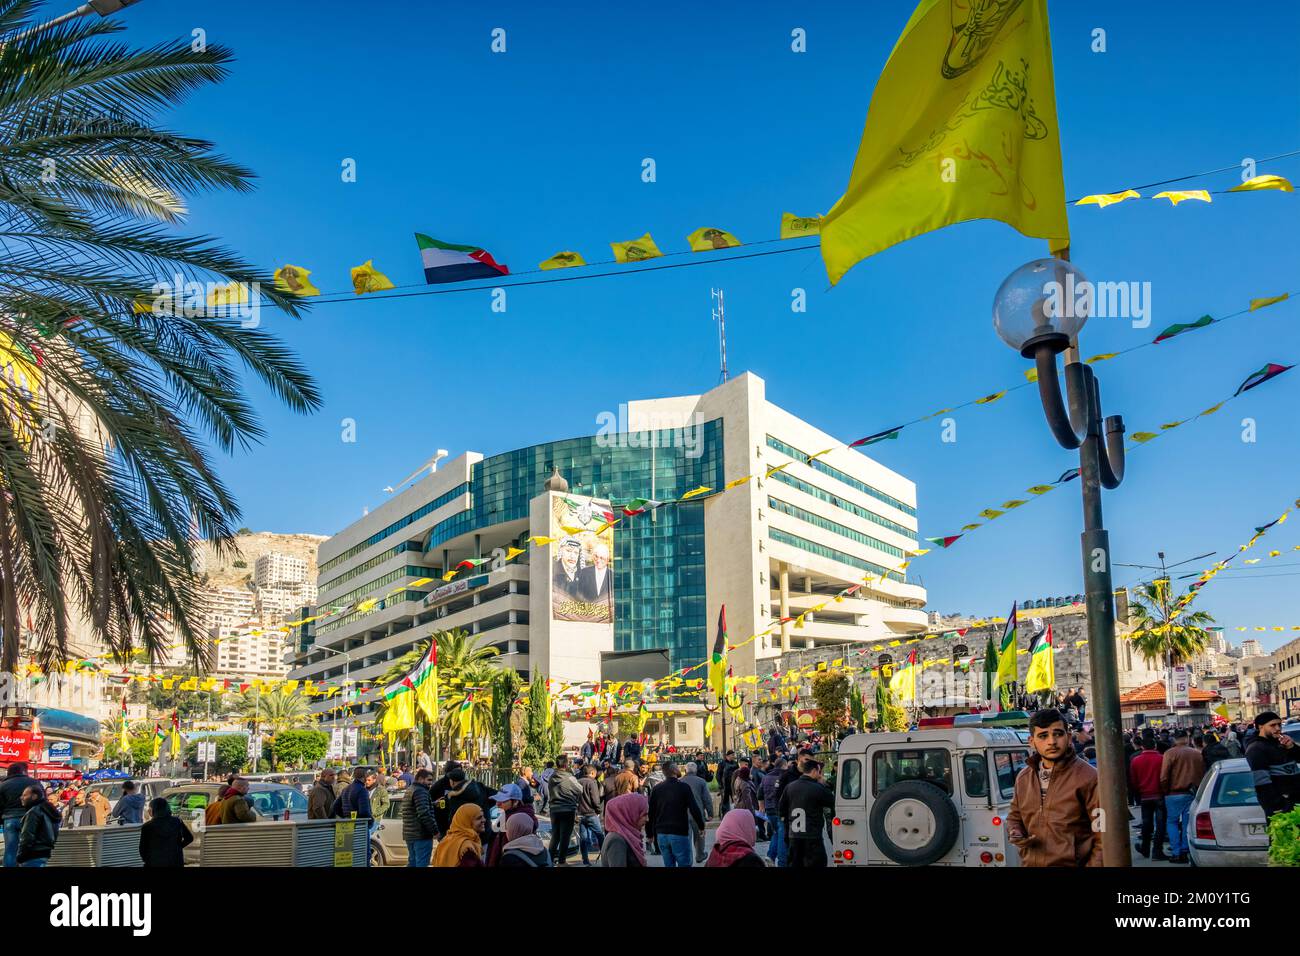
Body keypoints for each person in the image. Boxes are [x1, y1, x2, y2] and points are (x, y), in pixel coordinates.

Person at [1006, 709, 1102, 867]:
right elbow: (1014, 817)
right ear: (1031, 741)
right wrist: (1015, 831)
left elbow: (1104, 836)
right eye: (1043, 736)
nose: (1051, 741)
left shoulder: (1089, 777)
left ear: (1068, 737)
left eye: (1058, 734)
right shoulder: (1024, 778)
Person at [778, 758, 835, 868]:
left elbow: (781, 809)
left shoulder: (790, 787)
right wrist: (825, 784)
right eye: (819, 772)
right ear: (814, 771)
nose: (820, 775)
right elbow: (832, 801)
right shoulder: (818, 788)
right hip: (812, 836)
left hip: (794, 836)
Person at [1160, 729, 1205, 864]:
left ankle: (1176, 852)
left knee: (1172, 822)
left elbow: (1164, 776)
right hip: (1191, 793)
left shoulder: (1169, 753)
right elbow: (1201, 773)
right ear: (1187, 738)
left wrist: (1165, 791)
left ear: (1174, 739)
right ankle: (1186, 849)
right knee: (1187, 823)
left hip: (1173, 793)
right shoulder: (1197, 754)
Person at [646, 762, 705, 868]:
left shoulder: (657, 789)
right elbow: (694, 808)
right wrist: (701, 826)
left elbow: (651, 813)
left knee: (669, 864)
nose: (679, 769)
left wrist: (649, 833)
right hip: (679, 832)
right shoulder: (683, 787)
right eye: (677, 767)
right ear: (674, 770)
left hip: (662, 834)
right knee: (684, 864)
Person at [1245, 711, 1299, 819]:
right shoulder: (1256, 748)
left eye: (1279, 724)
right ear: (1260, 727)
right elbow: (1262, 783)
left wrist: (1292, 747)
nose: (1278, 728)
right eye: (1272, 725)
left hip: (1296, 801)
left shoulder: (1281, 742)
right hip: (1283, 808)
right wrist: (1279, 807)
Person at [1128, 733, 1167, 861]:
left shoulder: (1136, 760)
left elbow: (1133, 780)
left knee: (1146, 823)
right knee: (1160, 824)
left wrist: (1138, 791)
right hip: (1160, 794)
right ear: (1155, 746)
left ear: (1142, 747)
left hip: (1145, 796)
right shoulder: (1162, 758)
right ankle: (1157, 850)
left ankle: (1145, 848)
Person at [546, 754, 584, 865]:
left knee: (555, 836)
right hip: (568, 809)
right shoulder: (570, 777)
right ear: (566, 764)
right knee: (565, 836)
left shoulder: (552, 777)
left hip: (554, 810)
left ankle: (549, 860)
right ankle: (562, 861)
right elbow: (580, 789)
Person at [137, 797, 193, 867]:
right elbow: (189, 838)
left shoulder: (147, 826)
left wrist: (148, 860)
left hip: (155, 862)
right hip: (175, 861)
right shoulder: (177, 822)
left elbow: (142, 849)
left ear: (153, 810)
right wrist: (178, 847)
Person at [599, 792, 649, 867]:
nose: (647, 819)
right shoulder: (617, 841)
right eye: (644, 815)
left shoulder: (625, 836)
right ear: (630, 814)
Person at [401, 768, 438, 867]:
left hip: (410, 834)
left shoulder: (410, 789)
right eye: (429, 780)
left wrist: (432, 804)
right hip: (421, 835)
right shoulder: (421, 791)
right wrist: (435, 831)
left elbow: (414, 808)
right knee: (421, 863)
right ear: (421, 779)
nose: (431, 783)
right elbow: (424, 813)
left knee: (413, 862)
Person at [16, 785, 59, 867]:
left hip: (32, 855)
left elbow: (27, 837)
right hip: (44, 854)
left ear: (34, 796)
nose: (21, 797)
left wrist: (20, 856)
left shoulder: (34, 812)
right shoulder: (47, 810)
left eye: (25, 795)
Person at [682, 762, 714, 864]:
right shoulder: (701, 781)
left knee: (686, 837)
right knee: (700, 835)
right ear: (695, 771)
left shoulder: (680, 781)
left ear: (685, 770)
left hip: (683, 814)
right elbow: (707, 799)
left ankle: (688, 858)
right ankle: (700, 855)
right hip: (698, 813)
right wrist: (710, 813)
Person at [575, 763, 605, 865]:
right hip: (591, 814)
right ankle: (605, 857)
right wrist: (598, 811)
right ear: (592, 773)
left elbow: (574, 799)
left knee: (583, 839)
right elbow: (595, 800)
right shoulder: (592, 783)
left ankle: (585, 860)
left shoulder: (577, 782)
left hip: (580, 814)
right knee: (600, 836)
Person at [761, 755, 788, 865]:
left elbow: (760, 793)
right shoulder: (784, 776)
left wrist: (762, 807)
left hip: (769, 809)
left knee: (776, 833)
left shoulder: (766, 777)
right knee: (782, 835)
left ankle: (770, 856)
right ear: (784, 765)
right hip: (779, 809)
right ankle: (782, 861)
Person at [717, 750, 738, 815]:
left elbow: (738, 773)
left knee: (735, 800)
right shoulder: (722, 764)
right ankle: (724, 814)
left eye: (733, 755)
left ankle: (734, 814)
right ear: (728, 756)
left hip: (733, 785)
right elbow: (718, 775)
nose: (733, 756)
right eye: (732, 755)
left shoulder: (735, 763)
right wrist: (720, 784)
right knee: (724, 801)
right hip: (725, 785)